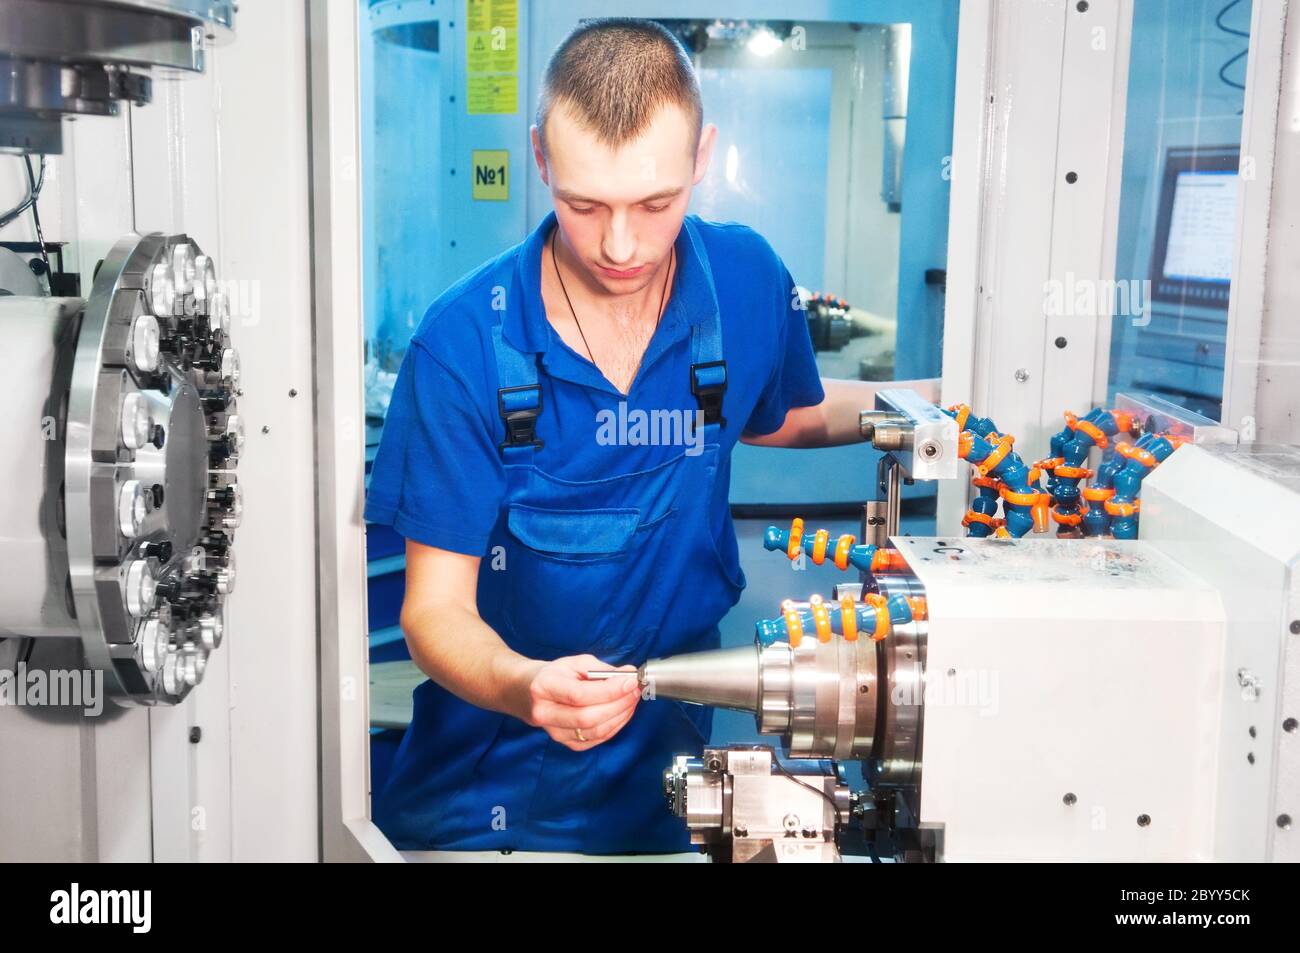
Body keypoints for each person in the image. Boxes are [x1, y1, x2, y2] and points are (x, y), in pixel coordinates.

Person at [365, 17, 936, 854]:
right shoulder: (462, 344)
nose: (621, 244)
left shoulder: (745, 279)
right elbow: (434, 612)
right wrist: (527, 686)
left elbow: (784, 414)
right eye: (583, 204)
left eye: (655, 203)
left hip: (674, 780)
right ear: (540, 159)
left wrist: (942, 400)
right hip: (490, 795)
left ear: (702, 159)